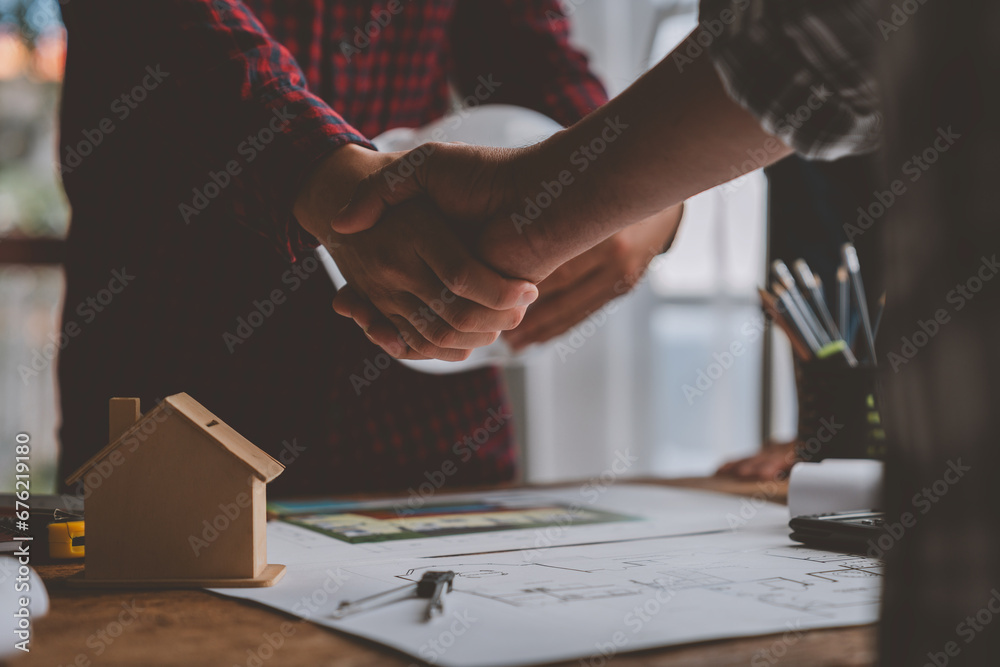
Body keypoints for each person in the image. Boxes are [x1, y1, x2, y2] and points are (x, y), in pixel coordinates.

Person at [55, 0, 681, 496]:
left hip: (429, 425)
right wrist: (323, 176)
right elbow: (164, 22)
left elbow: (533, 51)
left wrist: (646, 202)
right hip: (175, 397)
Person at [322, 1, 881, 359]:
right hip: (252, 402)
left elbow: (817, 47)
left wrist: (644, 209)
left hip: (442, 392)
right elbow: (817, 49)